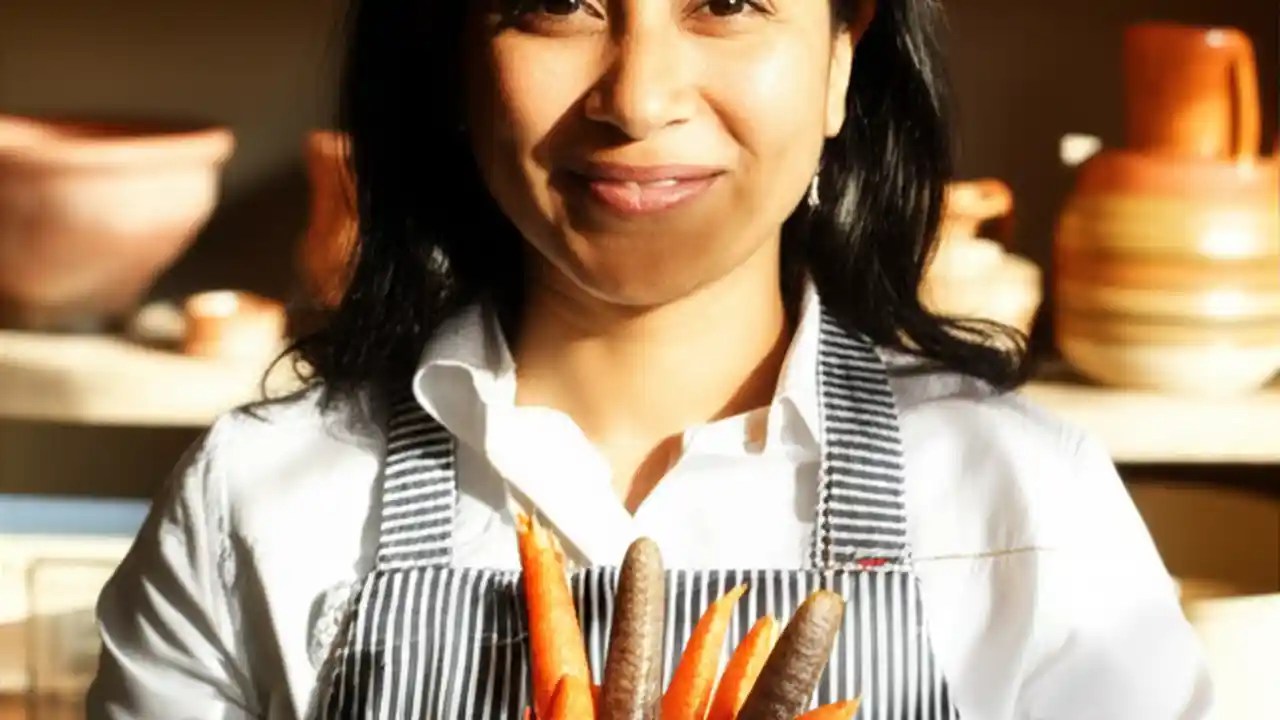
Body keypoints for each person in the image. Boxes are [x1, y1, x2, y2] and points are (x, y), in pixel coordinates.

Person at [87, 0, 1212, 718]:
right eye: (556, 3)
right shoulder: (262, 501)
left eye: (724, 3)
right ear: (454, 61)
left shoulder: (1022, 504)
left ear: (836, 59)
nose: (636, 95)